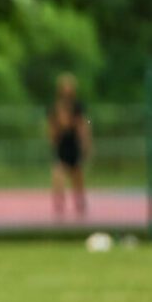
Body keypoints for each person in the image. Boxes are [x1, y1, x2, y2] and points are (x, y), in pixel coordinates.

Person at [48, 73, 90, 218]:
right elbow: (52, 126)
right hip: (62, 143)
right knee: (58, 172)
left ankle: (80, 199)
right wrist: (54, 135)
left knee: (77, 174)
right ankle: (59, 201)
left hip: (74, 143)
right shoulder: (55, 107)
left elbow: (84, 124)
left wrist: (85, 141)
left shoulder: (78, 106)